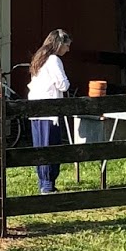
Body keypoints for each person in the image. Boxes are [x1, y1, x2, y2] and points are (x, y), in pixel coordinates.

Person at [27, 28, 74, 195]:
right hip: (49, 109)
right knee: (51, 145)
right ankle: (48, 185)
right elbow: (63, 84)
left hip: (36, 109)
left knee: (40, 145)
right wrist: (66, 83)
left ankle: (43, 182)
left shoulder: (39, 58)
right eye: (67, 45)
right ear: (59, 44)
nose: (68, 49)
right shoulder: (54, 60)